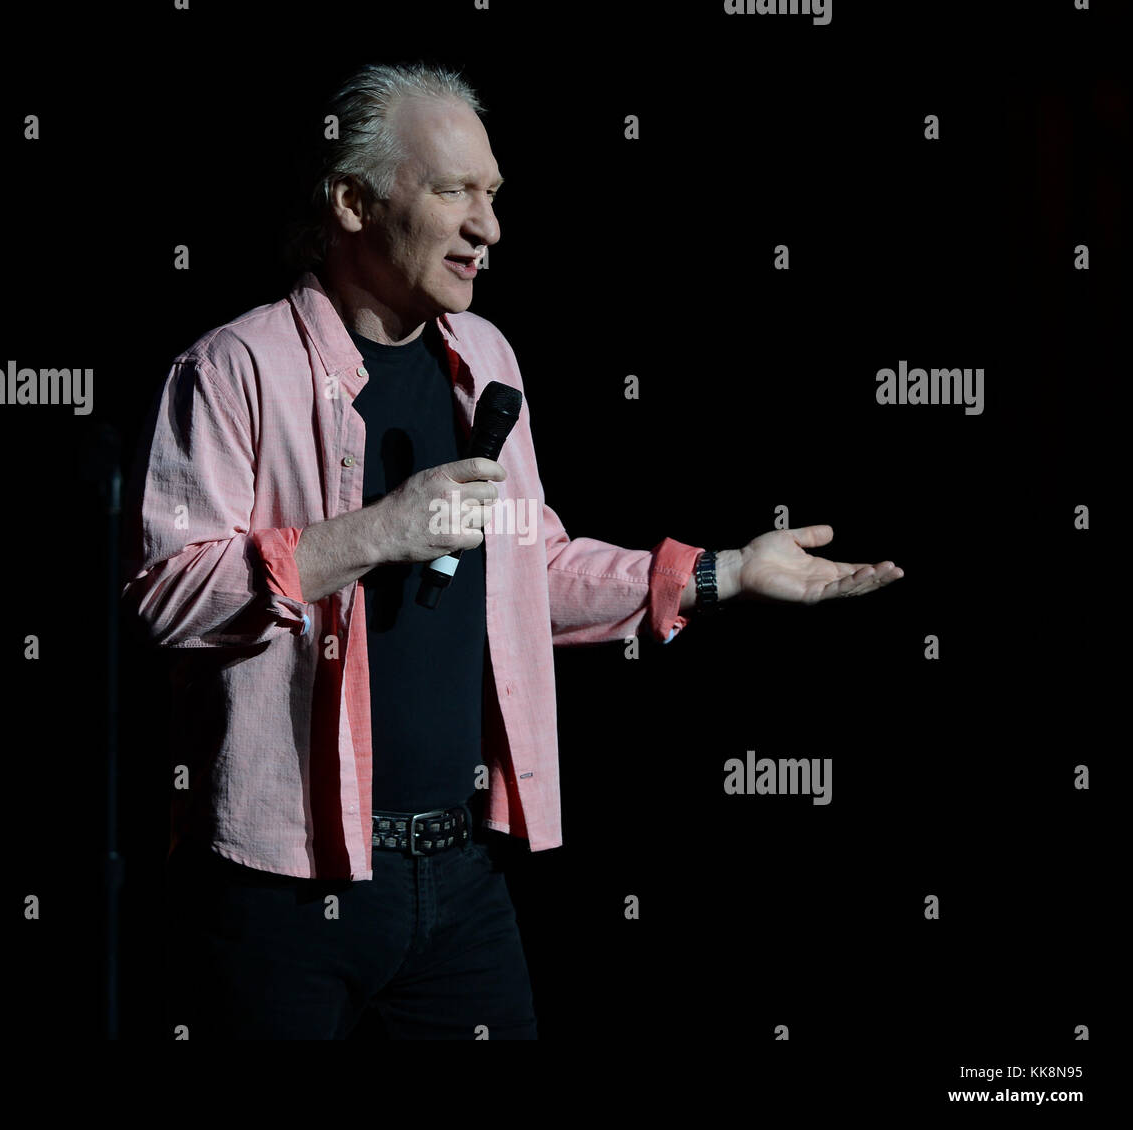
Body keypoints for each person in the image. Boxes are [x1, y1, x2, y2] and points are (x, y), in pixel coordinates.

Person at [121, 61, 903, 1040]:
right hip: (282, 889)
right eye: (454, 192)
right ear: (353, 201)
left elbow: (529, 570)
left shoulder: (485, 358)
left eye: (492, 195)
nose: (487, 228)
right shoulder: (233, 368)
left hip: (457, 881)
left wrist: (727, 570)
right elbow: (165, 597)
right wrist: (376, 532)